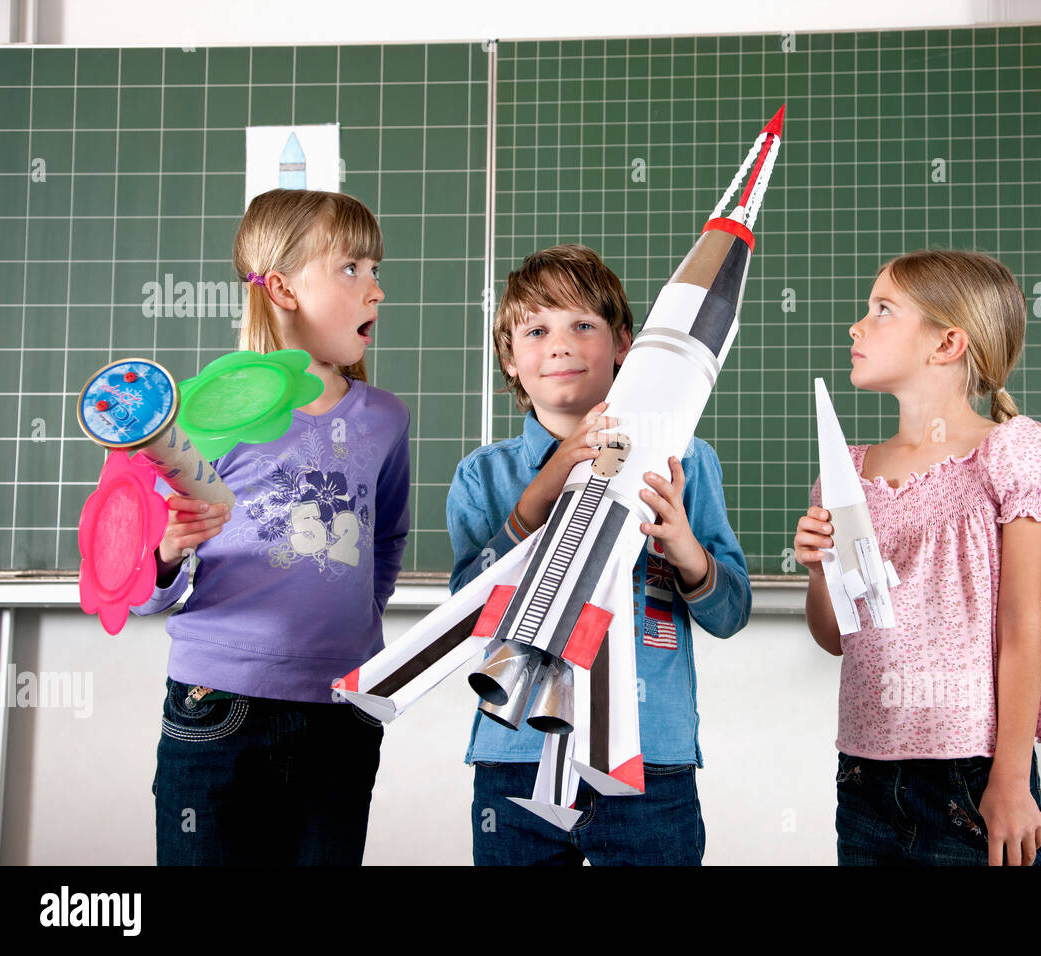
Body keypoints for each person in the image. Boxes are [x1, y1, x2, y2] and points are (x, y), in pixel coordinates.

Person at [447, 244, 751, 866]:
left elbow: (730, 612)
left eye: (583, 325)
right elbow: (465, 614)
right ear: (510, 358)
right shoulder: (484, 476)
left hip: (649, 760)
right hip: (516, 757)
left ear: (624, 346)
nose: (559, 344)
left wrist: (686, 549)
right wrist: (546, 484)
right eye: (536, 330)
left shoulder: (687, 461)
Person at [134, 189, 410, 865]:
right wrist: (168, 552)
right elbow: (138, 584)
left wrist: (352, 625)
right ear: (282, 287)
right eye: (353, 269)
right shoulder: (204, 416)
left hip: (341, 710)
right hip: (219, 708)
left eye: (376, 269)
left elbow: (386, 540)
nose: (376, 289)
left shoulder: (385, 419)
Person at [793, 249, 1041, 866]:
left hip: (972, 777)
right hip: (865, 778)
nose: (856, 326)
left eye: (883, 311)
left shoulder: (1010, 454)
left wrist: (1009, 779)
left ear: (947, 343)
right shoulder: (849, 474)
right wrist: (818, 572)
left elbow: (1024, 626)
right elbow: (836, 637)